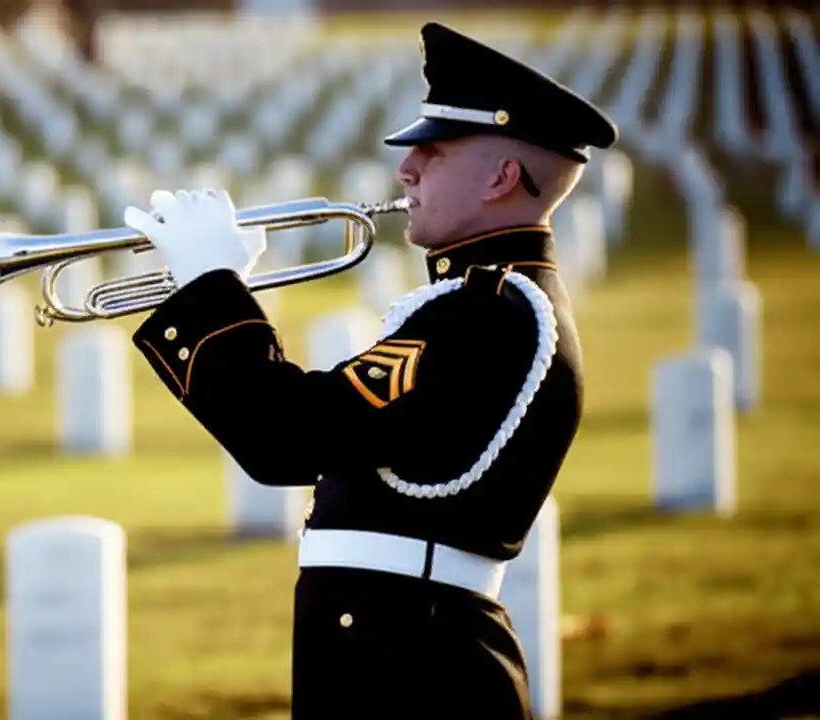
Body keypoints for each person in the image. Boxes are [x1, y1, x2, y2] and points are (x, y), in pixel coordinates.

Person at [120, 21, 619, 719]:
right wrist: (220, 289)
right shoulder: (485, 305)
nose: (405, 168)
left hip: (418, 672)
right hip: (404, 653)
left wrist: (212, 286)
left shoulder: (490, 314)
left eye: (433, 151)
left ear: (504, 177)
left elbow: (288, 437)